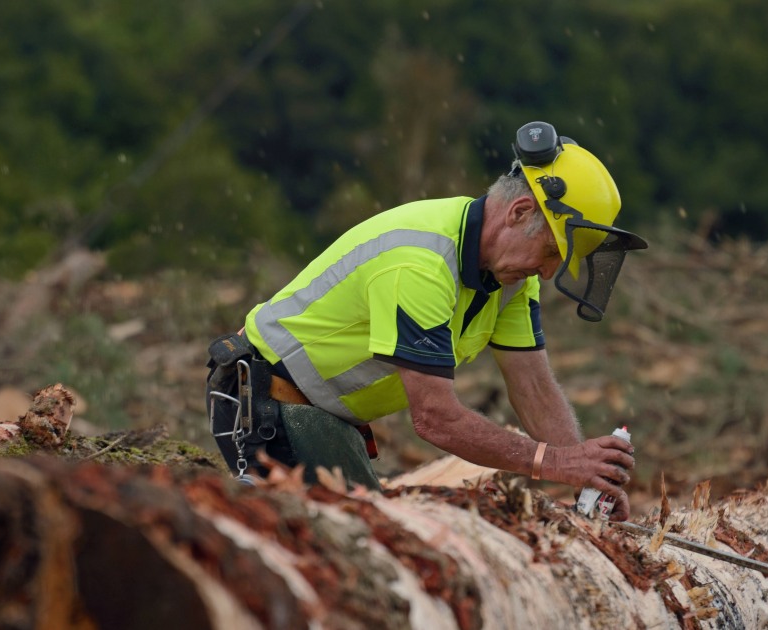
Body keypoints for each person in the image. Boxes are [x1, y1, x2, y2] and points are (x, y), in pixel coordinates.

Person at [206, 121, 646, 521]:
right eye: (550, 252)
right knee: (356, 543)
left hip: (325, 414)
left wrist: (589, 476)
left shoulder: (511, 277)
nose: (548, 273)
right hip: (267, 401)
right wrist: (555, 463)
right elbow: (435, 418)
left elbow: (533, 386)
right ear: (519, 213)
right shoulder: (419, 264)